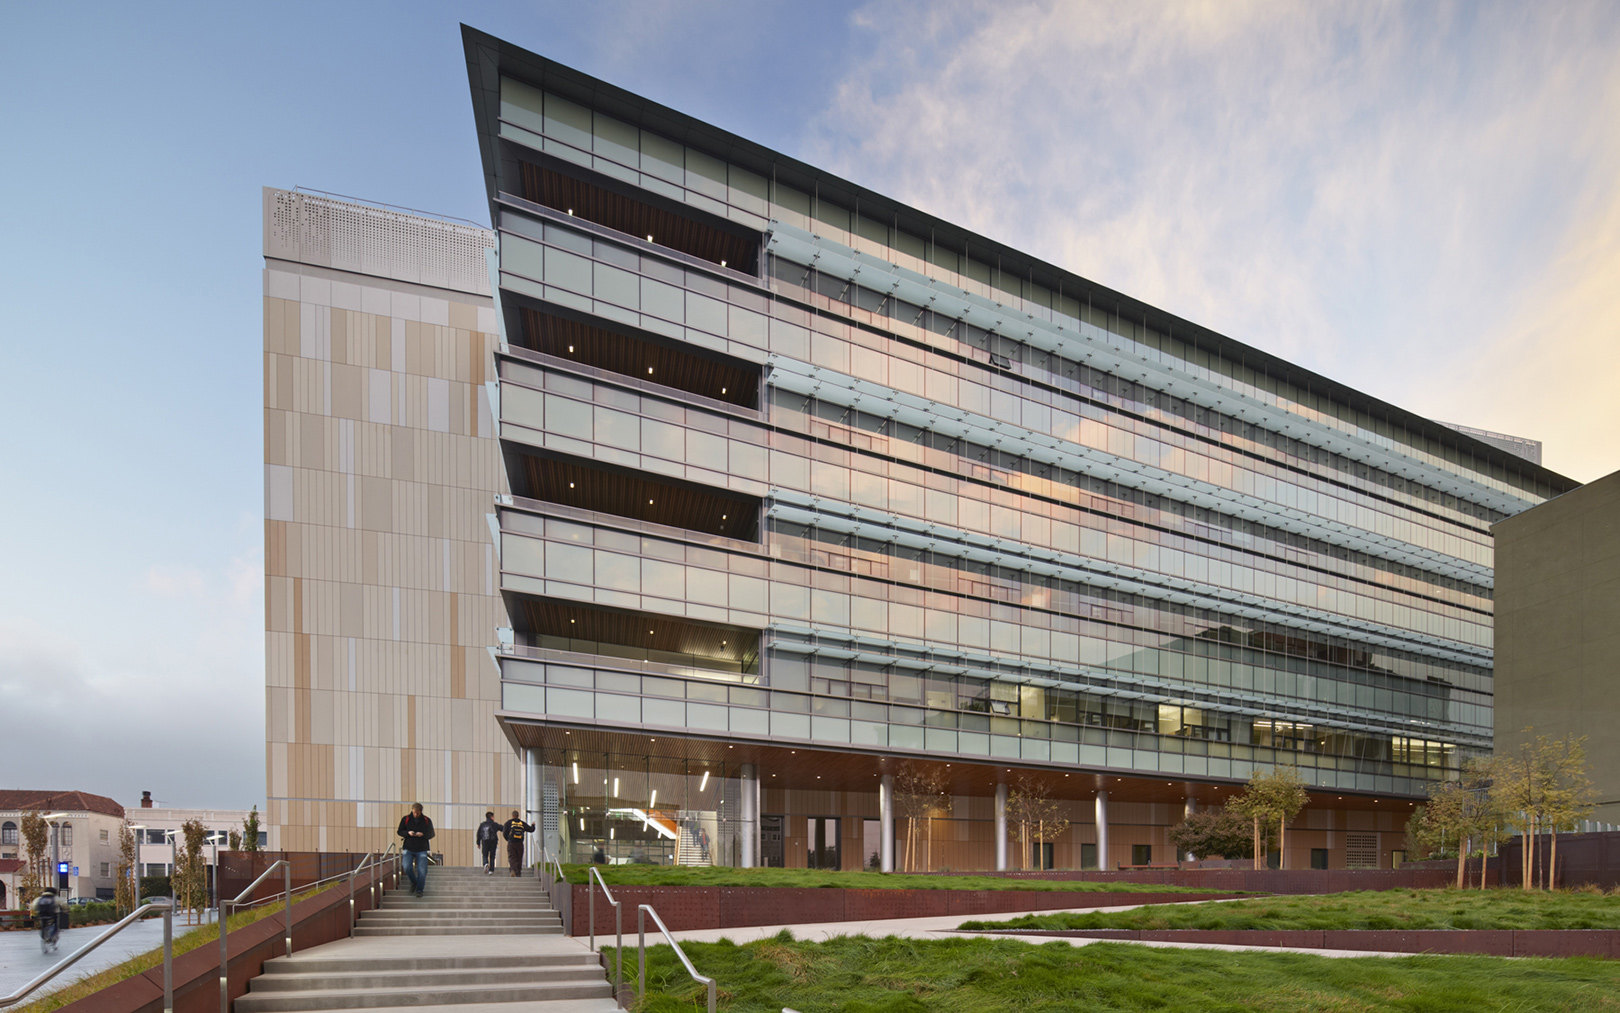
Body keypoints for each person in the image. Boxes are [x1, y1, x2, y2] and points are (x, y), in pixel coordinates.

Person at [396, 802, 435, 896]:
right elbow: (399, 831)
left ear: (421, 812)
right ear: (412, 811)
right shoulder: (406, 819)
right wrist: (408, 833)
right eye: (414, 812)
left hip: (422, 848)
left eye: (417, 813)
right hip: (408, 847)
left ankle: (419, 890)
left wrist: (423, 835)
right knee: (406, 867)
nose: (415, 814)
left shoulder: (426, 820)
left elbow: (432, 834)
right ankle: (414, 882)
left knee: (422, 870)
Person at [501, 809, 536, 877]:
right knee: (519, 857)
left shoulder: (508, 823)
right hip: (519, 843)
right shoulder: (522, 823)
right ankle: (518, 873)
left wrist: (508, 839)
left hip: (511, 843)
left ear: (512, 815)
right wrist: (533, 825)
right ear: (518, 815)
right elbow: (531, 829)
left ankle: (513, 870)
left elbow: (504, 832)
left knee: (512, 857)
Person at [32, 887, 62, 954]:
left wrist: (35, 913)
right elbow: (64, 905)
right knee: (56, 925)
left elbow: (33, 906)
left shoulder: (39, 899)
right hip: (52, 915)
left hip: (42, 915)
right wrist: (66, 910)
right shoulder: (55, 898)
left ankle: (44, 936)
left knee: (43, 925)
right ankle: (52, 937)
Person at [475, 811, 502, 875]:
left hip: (485, 841)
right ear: (492, 817)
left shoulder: (482, 825)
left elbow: (478, 834)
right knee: (492, 856)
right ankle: (491, 870)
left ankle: (486, 863)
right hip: (493, 841)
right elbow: (502, 828)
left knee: (485, 854)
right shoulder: (495, 824)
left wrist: (478, 843)